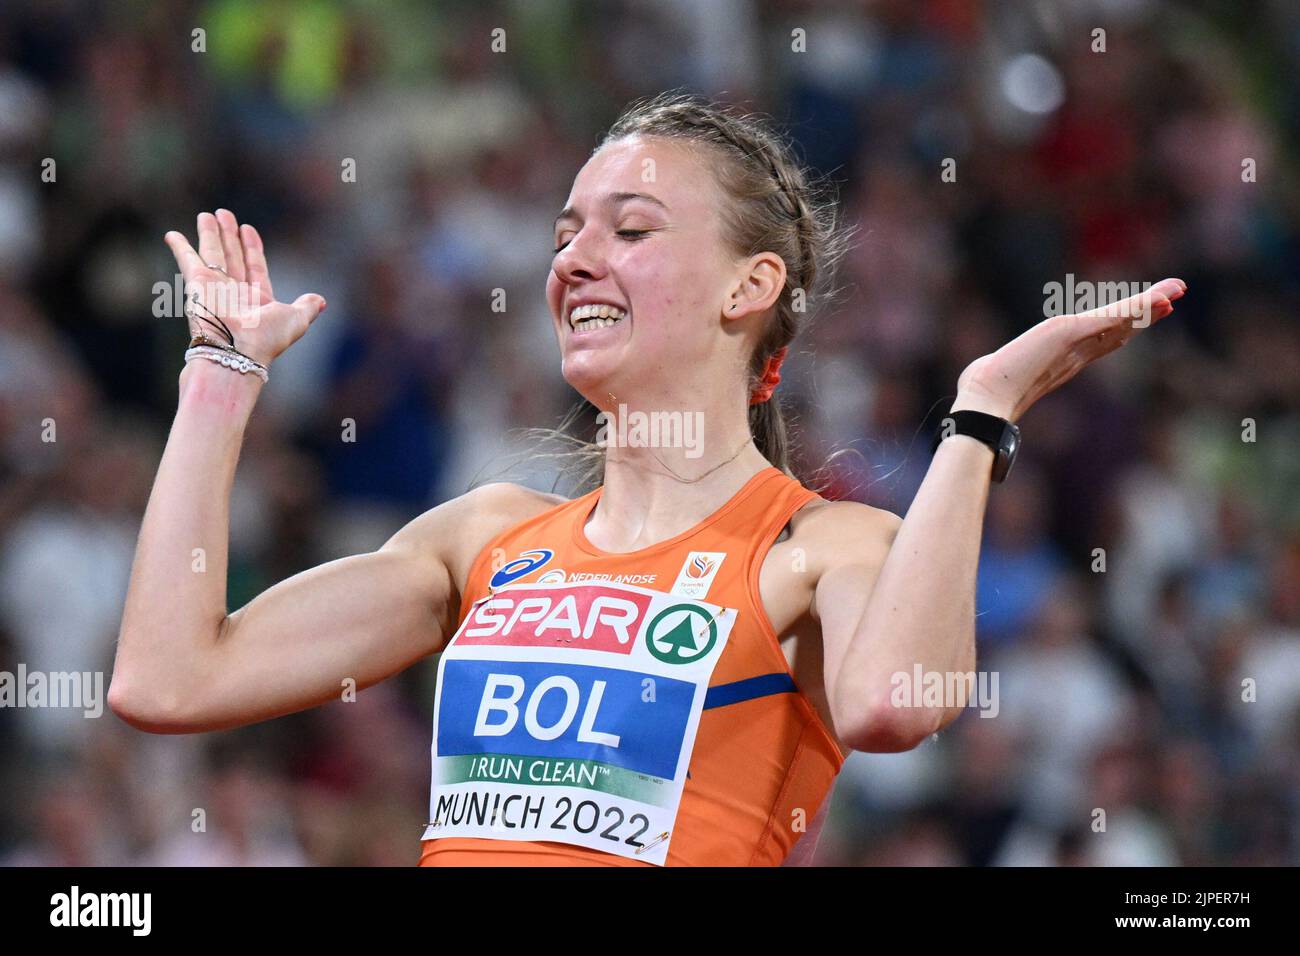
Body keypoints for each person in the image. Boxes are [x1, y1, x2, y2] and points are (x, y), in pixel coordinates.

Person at [109, 92, 1185, 866]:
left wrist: (979, 418)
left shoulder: (820, 547)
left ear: (748, 286)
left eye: (630, 229)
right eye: (566, 232)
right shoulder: (481, 536)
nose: (574, 259)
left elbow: (895, 704)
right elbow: (166, 680)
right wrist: (221, 370)